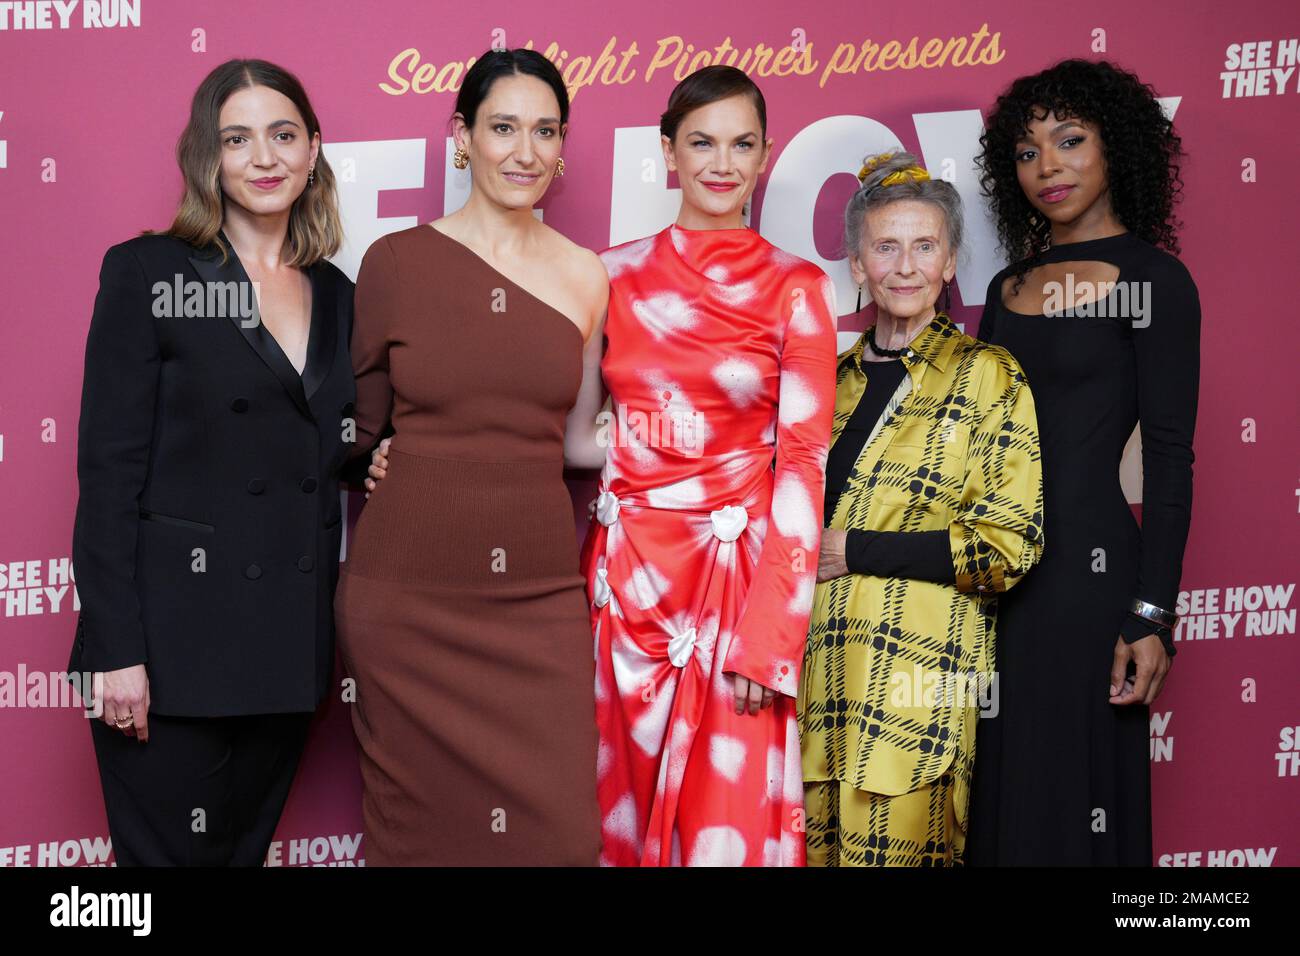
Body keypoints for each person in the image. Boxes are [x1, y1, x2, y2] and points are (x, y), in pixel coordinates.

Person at [69, 59, 355, 865]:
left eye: (282, 135)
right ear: (209, 156)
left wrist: (380, 455)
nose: (263, 158)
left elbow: (331, 443)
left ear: (313, 150)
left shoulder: (337, 293)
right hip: (167, 650)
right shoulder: (152, 273)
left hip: (285, 650)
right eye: (238, 139)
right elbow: (107, 474)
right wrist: (115, 651)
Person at [335, 48, 608, 865]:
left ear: (562, 148)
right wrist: (365, 459)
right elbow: (358, 428)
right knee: (418, 843)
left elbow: (576, 442)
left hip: (535, 597)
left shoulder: (585, 276)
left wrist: (685, 437)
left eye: (545, 131)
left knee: (559, 839)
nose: (525, 151)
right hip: (407, 603)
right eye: (503, 127)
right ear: (462, 136)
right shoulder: (395, 262)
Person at [581, 65, 837, 866]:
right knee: (609, 818)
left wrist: (772, 638)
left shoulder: (798, 286)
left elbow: (802, 462)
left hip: (736, 594)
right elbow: (575, 438)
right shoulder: (610, 273)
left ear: (764, 158)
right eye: (702, 142)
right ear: (668, 152)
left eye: (741, 144)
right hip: (625, 594)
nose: (722, 164)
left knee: (725, 828)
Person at [967, 58, 1201, 865]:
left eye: (1069, 140)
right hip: (996, 576)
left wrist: (1151, 614)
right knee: (1001, 793)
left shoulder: (1157, 281)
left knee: (1081, 797)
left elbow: (1170, 460)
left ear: (1117, 148)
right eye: (1028, 152)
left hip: (1095, 584)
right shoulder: (1005, 288)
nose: (1048, 166)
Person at [798, 151, 1044, 866]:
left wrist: (857, 550)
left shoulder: (989, 376)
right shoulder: (825, 383)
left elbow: (1009, 547)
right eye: (886, 246)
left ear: (950, 263)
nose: (905, 266)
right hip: (816, 692)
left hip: (914, 692)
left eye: (924, 246)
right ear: (856, 264)